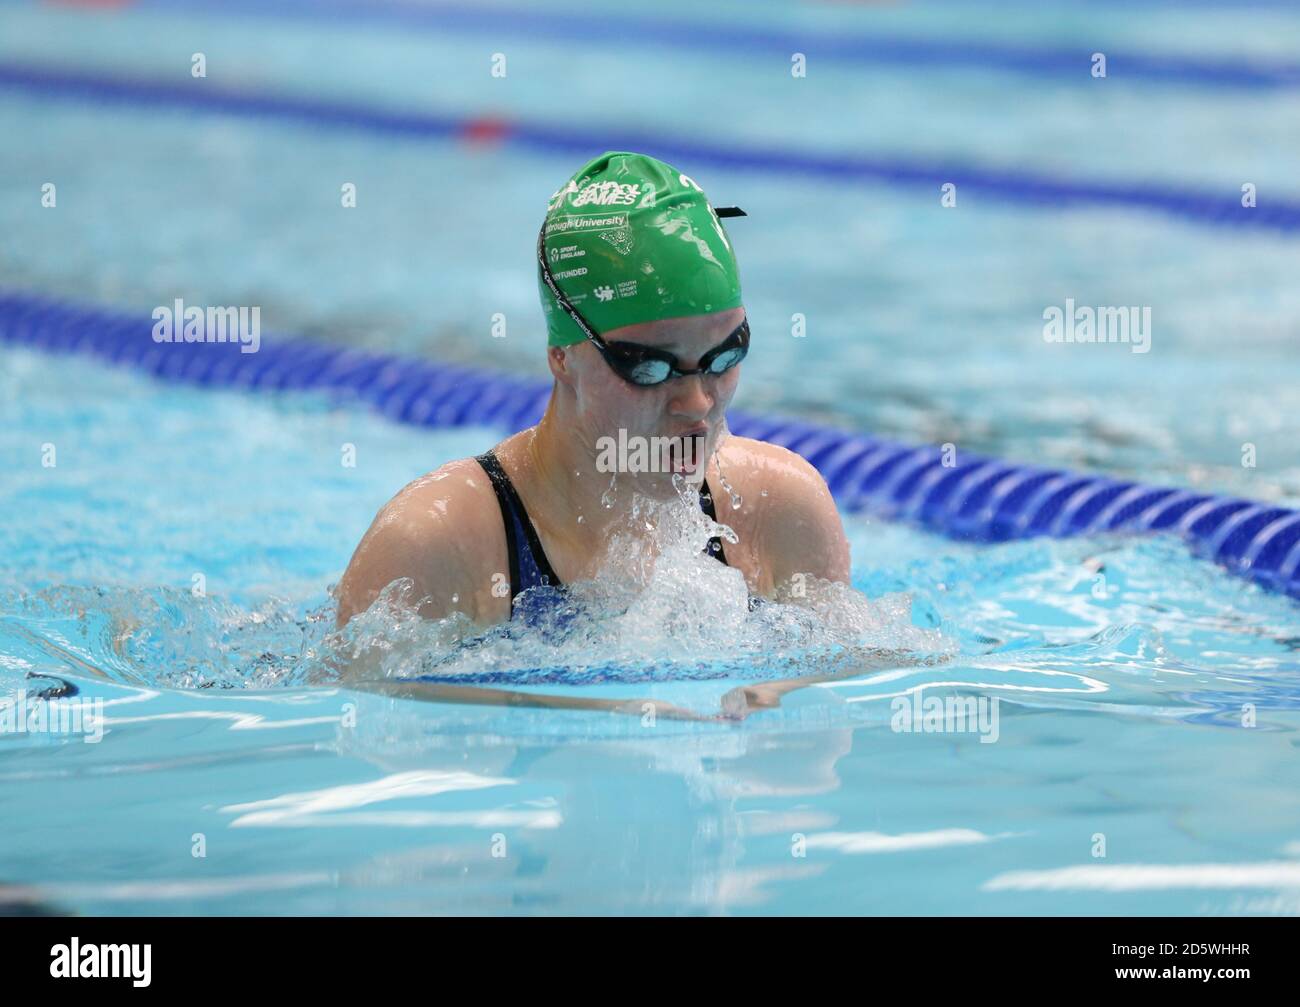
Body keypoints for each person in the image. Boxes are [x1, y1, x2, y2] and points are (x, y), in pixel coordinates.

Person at [336, 152, 857, 718]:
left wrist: (770, 697)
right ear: (563, 357)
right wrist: (601, 712)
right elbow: (360, 720)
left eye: (724, 355)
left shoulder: (780, 509)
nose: (698, 403)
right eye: (649, 367)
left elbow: (837, 711)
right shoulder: (436, 545)